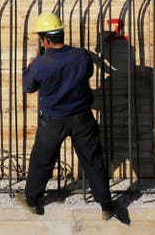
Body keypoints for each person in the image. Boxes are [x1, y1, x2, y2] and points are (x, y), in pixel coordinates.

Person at [15, 12, 114, 220]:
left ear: (46, 40)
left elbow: (28, 87)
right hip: (82, 117)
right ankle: (106, 204)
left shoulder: (42, 64)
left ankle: (32, 200)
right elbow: (87, 73)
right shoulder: (81, 55)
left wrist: (31, 65)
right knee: (93, 159)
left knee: (42, 159)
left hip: (53, 121)